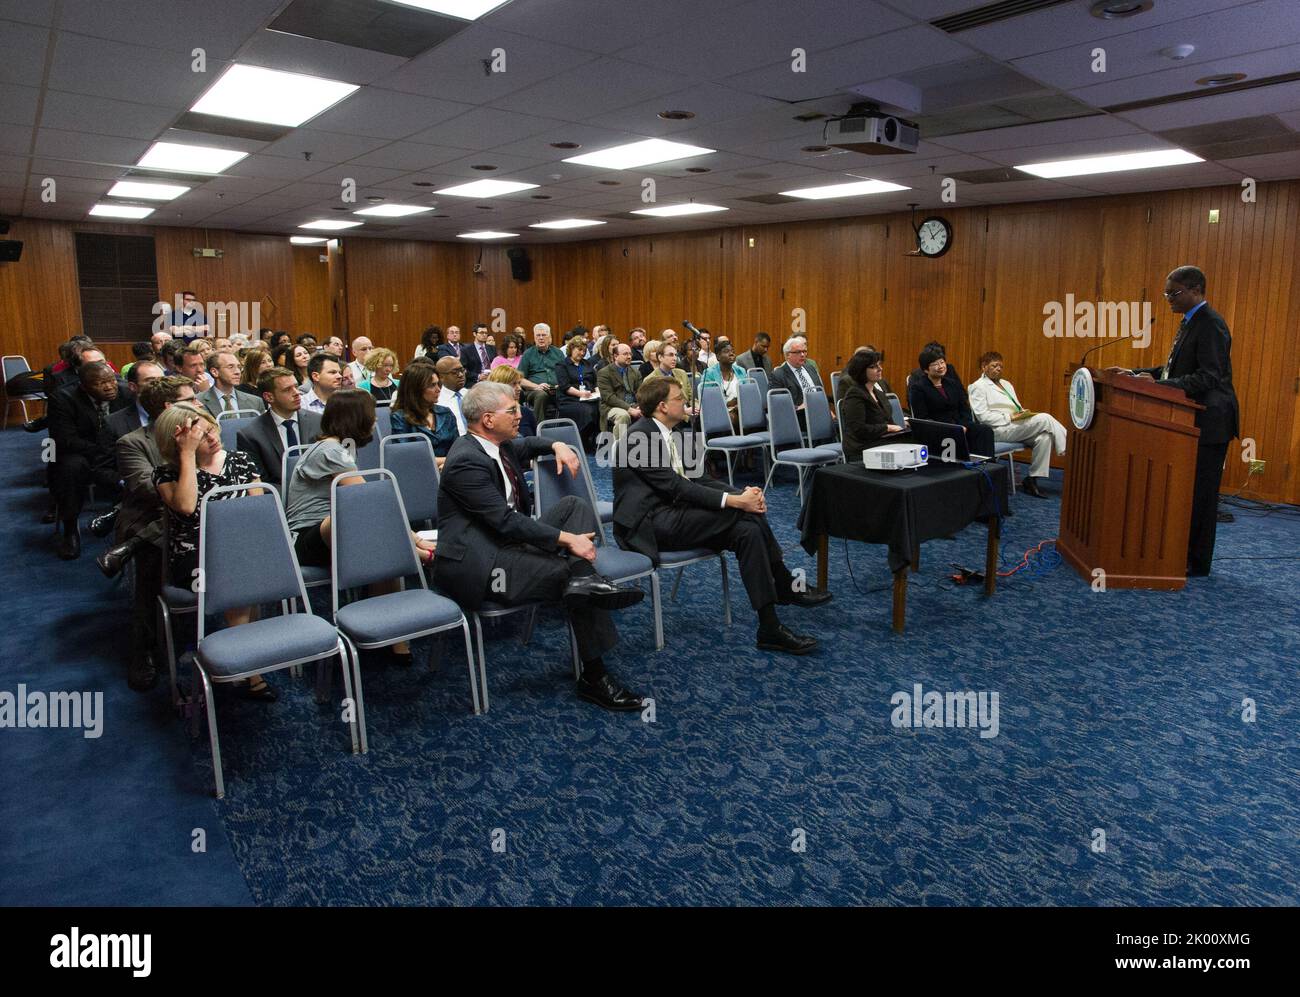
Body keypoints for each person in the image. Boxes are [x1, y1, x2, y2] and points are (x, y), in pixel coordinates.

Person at [434, 382, 646, 711]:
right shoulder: (465, 461)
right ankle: (594, 676)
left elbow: (530, 444)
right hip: (483, 564)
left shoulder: (496, 445)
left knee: (574, 506)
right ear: (488, 420)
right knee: (571, 579)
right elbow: (504, 521)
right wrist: (567, 539)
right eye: (513, 411)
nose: (522, 415)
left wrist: (557, 444)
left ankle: (583, 577)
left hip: (509, 547)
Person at [614, 377, 828, 655]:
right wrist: (737, 501)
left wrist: (741, 494)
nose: (687, 403)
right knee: (741, 514)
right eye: (681, 399)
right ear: (663, 406)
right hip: (651, 521)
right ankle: (784, 582)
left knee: (747, 530)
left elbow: (700, 479)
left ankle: (769, 627)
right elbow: (675, 486)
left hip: (677, 512)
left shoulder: (678, 432)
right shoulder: (638, 438)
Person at [1109, 265, 1240, 576]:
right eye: (1166, 293)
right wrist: (1139, 374)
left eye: (1174, 293)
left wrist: (1161, 386)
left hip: (1210, 422)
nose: (1168, 298)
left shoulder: (1211, 324)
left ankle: (1196, 561)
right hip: (1192, 419)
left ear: (1195, 290)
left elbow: (1209, 376)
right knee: (1186, 491)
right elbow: (1175, 369)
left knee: (1201, 495)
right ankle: (1181, 552)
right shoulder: (1189, 322)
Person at [152, 405, 274, 700]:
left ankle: (240, 656)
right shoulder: (166, 473)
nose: (211, 436)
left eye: (210, 428)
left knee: (245, 563)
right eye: (200, 435)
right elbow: (186, 507)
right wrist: (187, 457)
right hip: (193, 557)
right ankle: (249, 669)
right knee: (236, 572)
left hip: (241, 545)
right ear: (179, 440)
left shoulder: (240, 460)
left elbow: (258, 512)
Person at [101, 376, 198, 691]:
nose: (199, 403)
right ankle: (142, 648)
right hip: (151, 515)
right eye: (191, 400)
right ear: (170, 407)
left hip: (199, 512)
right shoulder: (133, 442)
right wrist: (186, 475)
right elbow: (146, 487)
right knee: (154, 556)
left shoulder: (205, 432)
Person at [47, 361, 132, 559]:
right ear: (83, 386)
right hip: (83, 452)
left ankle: (122, 519)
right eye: (101, 383)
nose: (109, 386)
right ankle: (70, 529)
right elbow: (65, 439)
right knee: (70, 468)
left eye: (111, 380)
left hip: (117, 450)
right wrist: (103, 451)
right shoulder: (63, 398)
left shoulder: (126, 393)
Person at [968, 352, 1066, 498]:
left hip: (1015, 426)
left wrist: (1022, 414)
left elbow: (1016, 408)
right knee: (1045, 418)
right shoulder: (978, 386)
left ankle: (1032, 480)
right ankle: (1068, 450)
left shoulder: (1007, 384)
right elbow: (982, 416)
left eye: (1001, 366)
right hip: (997, 430)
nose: (998, 369)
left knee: (1044, 437)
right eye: (994, 366)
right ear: (984, 367)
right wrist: (1009, 417)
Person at [235, 367, 323, 492]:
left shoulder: (318, 422)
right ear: (269, 397)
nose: (296, 393)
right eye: (287, 390)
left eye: (295, 386)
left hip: (319, 494)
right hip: (280, 499)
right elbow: (261, 483)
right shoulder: (250, 435)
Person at [908, 346, 995, 457]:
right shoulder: (918, 388)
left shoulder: (952, 383)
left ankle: (986, 466)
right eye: (935, 364)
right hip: (939, 428)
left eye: (942, 362)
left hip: (960, 424)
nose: (940, 366)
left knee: (984, 431)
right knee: (957, 434)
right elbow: (922, 418)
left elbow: (964, 409)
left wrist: (966, 425)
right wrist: (954, 428)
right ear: (926, 369)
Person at [837, 350, 908, 464]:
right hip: (861, 447)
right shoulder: (854, 394)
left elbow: (888, 419)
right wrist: (887, 428)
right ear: (861, 371)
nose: (880, 369)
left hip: (879, 440)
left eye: (879, 365)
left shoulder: (878, 392)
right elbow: (859, 429)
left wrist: (901, 429)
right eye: (873, 367)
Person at [391, 360, 458, 461]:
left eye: (438, 384)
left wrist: (448, 465)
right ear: (416, 389)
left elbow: (458, 449)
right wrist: (447, 462)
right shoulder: (400, 418)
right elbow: (405, 457)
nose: (438, 389)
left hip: (450, 469)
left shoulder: (446, 413)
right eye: (432, 385)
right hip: (419, 472)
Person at [555, 336, 600, 448]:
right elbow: (565, 386)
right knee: (587, 411)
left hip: (589, 397)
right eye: (579, 350)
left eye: (584, 351)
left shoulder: (587, 364)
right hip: (570, 399)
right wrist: (581, 394)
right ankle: (581, 442)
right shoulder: (562, 365)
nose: (582, 353)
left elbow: (595, 382)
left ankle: (593, 441)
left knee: (601, 409)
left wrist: (597, 392)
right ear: (571, 349)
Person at [698, 338, 751, 430]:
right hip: (718, 412)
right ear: (718, 357)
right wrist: (730, 404)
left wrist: (739, 404)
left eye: (733, 351)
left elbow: (748, 395)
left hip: (740, 410)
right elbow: (708, 402)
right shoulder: (709, 374)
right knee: (733, 418)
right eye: (726, 351)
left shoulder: (741, 371)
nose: (731, 354)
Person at [769, 336, 826, 420]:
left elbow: (820, 391)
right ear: (788, 355)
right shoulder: (778, 375)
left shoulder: (810, 368)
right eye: (798, 352)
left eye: (804, 351)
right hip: (798, 417)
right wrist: (800, 407)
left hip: (819, 411)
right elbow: (778, 405)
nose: (803, 355)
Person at [518, 323, 565, 422]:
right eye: (538, 335)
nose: (541, 338)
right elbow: (520, 379)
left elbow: (565, 374)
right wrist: (536, 386)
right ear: (534, 338)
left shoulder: (558, 353)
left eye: (544, 335)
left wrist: (559, 385)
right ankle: (538, 428)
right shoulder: (528, 354)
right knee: (541, 395)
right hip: (534, 391)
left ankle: (565, 427)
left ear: (549, 338)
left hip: (557, 389)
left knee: (568, 394)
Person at [596, 342, 643, 441]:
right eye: (625, 354)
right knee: (623, 415)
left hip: (633, 405)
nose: (629, 356)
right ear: (615, 356)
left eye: (630, 354)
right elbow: (609, 398)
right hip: (611, 407)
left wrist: (641, 406)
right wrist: (629, 409)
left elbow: (641, 393)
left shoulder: (635, 372)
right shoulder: (604, 373)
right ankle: (619, 449)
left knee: (652, 412)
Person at [106, 360, 163, 440]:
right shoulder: (113, 423)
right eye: (151, 381)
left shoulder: (177, 414)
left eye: (162, 380)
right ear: (133, 386)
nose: (159, 385)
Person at [199, 351, 266, 419]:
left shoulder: (255, 402)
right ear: (214, 372)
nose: (237, 372)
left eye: (239, 367)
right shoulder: (198, 401)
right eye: (230, 367)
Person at [642, 343, 696, 417]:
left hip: (690, 415)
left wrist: (696, 407)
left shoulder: (682, 373)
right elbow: (655, 408)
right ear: (660, 357)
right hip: (669, 418)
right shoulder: (651, 380)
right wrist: (683, 411)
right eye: (671, 355)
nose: (675, 358)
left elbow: (691, 397)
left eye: (675, 355)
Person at [487, 365, 537, 438]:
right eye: (513, 384)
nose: (519, 388)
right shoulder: (489, 414)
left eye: (519, 383)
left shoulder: (526, 413)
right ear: (499, 385)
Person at [434, 355, 469, 435]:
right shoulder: (437, 401)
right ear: (441, 377)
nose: (460, 375)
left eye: (462, 370)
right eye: (454, 372)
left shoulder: (471, 394)